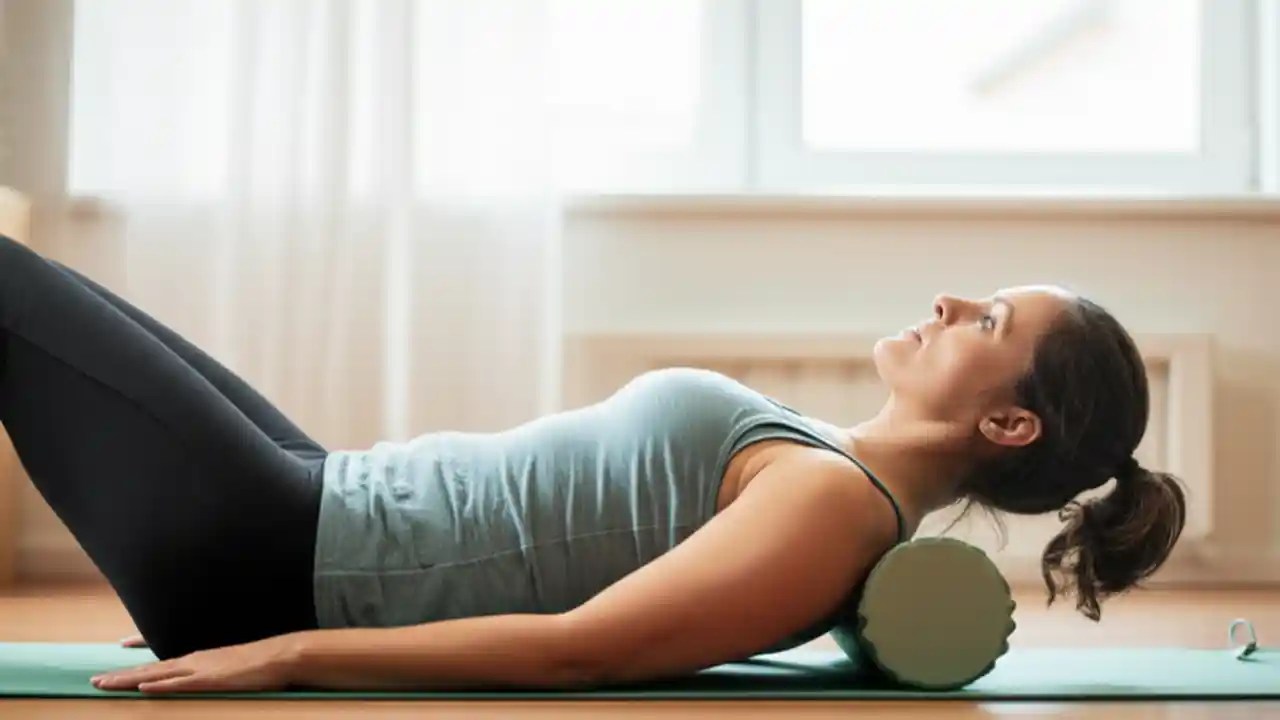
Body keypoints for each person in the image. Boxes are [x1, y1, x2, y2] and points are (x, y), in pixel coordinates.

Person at [0, 234, 1185, 694]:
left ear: (1010, 427)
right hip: (310, 494)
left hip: (268, 555)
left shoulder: (833, 508)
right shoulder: (826, 462)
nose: (951, 299)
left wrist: (285, 653)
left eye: (988, 324)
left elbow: (586, 646)